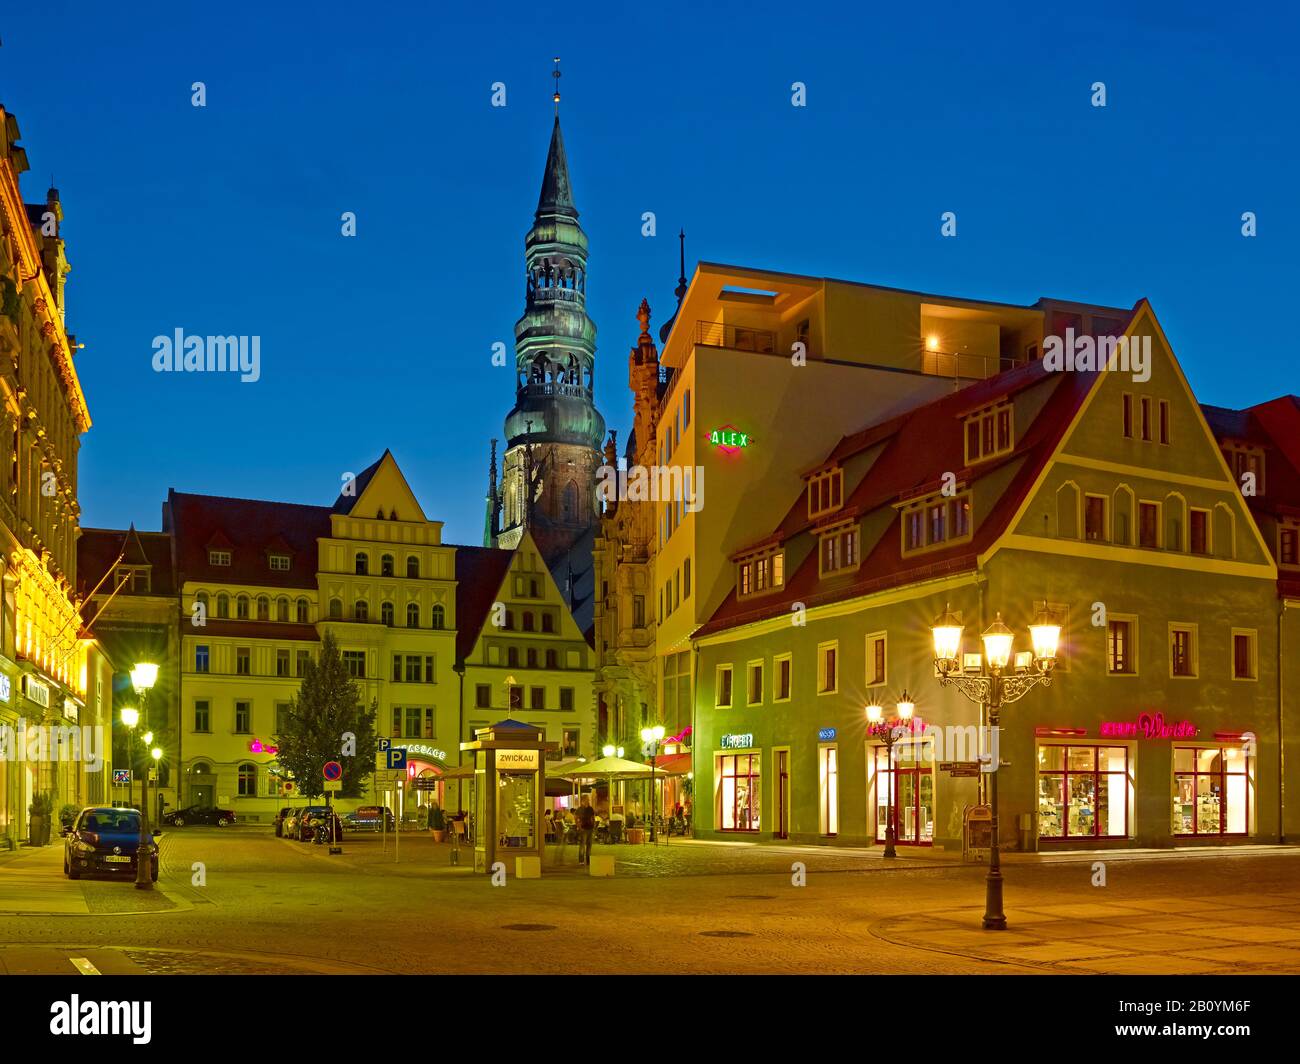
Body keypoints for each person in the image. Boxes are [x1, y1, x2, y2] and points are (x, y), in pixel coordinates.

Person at [576, 800, 596, 864]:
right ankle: (581, 860)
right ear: (582, 801)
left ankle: (588, 860)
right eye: (585, 800)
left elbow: (593, 817)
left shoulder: (590, 809)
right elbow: (576, 818)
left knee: (589, 845)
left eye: (587, 800)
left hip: (590, 828)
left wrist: (594, 824)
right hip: (583, 829)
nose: (587, 801)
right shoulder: (580, 809)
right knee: (582, 844)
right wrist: (579, 827)